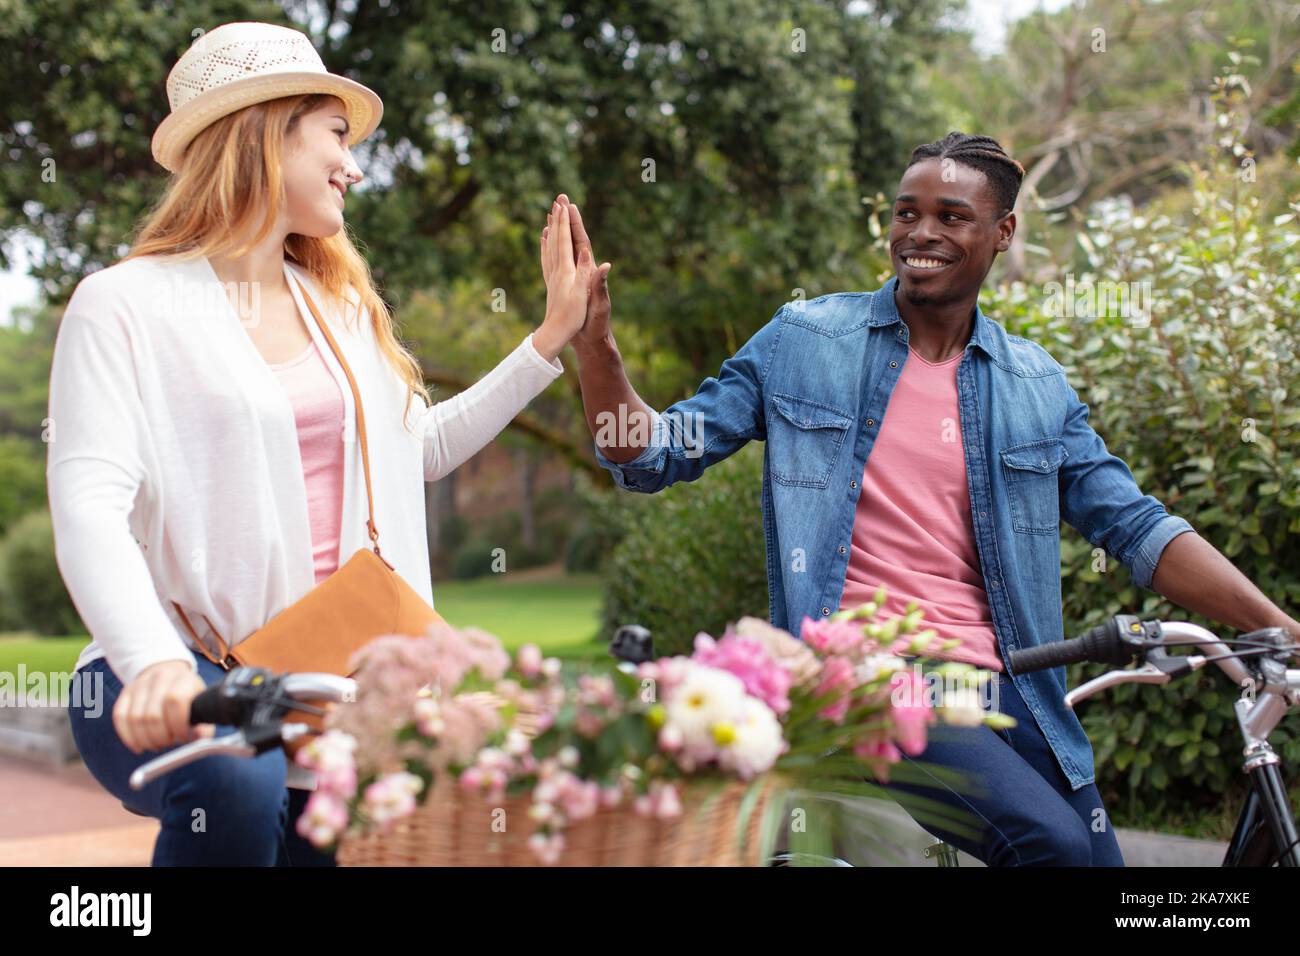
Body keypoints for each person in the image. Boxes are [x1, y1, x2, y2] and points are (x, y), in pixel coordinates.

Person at [557, 132, 1300, 866]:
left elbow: (1136, 527)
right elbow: (652, 453)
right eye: (907, 213)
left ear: (1002, 232)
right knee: (1056, 851)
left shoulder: (1035, 385)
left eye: (951, 215)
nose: (921, 232)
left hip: (1015, 686)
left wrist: (1276, 626)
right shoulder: (805, 341)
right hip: (871, 677)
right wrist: (597, 346)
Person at [51, 21, 594, 866]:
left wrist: (547, 340)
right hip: (160, 667)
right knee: (236, 777)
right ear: (267, 132)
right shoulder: (123, 304)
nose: (355, 163)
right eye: (336, 134)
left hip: (316, 688)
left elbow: (412, 456)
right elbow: (90, 505)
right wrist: (153, 662)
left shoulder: (338, 313)